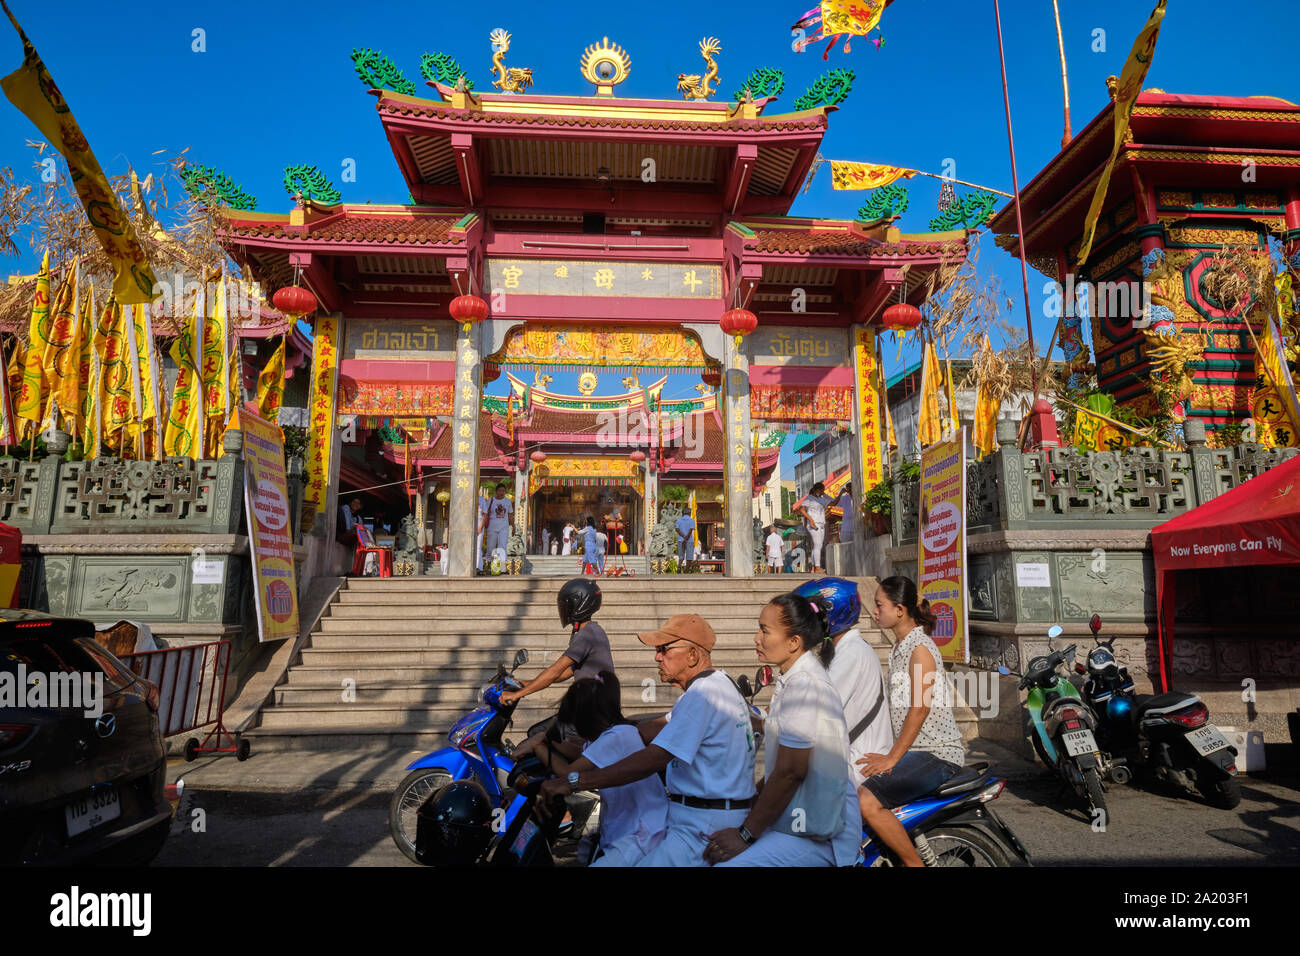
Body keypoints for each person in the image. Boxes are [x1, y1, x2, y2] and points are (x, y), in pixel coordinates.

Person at [540, 613, 756, 867]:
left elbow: (652, 759)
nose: (657, 657)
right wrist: (608, 729)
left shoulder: (702, 695)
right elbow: (652, 728)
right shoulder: (718, 684)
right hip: (698, 819)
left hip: (700, 828)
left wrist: (574, 781)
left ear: (693, 655)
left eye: (664, 649)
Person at [705, 593, 859, 867]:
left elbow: (791, 771)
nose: (757, 638)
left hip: (817, 835)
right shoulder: (793, 679)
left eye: (765, 631)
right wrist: (753, 799)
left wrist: (745, 834)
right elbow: (783, 767)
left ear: (793, 642)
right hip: (796, 823)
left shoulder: (805, 684)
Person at [858, 575, 966, 867]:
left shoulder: (920, 649)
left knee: (865, 800)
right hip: (917, 752)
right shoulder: (900, 646)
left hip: (938, 753)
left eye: (880, 605)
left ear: (900, 610)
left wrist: (893, 758)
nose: (875, 611)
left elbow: (920, 708)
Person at [512, 673, 668, 867]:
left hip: (641, 833)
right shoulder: (610, 736)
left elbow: (568, 774)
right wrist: (546, 739)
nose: (574, 729)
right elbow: (582, 755)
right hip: (624, 829)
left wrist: (537, 745)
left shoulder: (616, 736)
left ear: (586, 718)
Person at [795, 578, 892, 782]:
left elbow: (820, 705)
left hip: (860, 765)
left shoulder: (852, 653)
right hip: (850, 759)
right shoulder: (845, 649)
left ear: (831, 612)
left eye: (810, 615)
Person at [500, 578, 614, 707]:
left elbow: (556, 670)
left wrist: (517, 694)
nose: (564, 610)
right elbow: (566, 672)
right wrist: (527, 683)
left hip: (595, 706)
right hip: (596, 702)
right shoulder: (593, 630)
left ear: (577, 605)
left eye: (566, 605)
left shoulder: (587, 635)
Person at [794, 481, 833, 574]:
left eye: (823, 490)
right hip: (813, 524)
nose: (822, 491)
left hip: (821, 524)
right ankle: (818, 568)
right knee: (818, 545)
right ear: (816, 489)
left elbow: (834, 502)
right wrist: (810, 520)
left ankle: (814, 568)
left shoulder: (822, 499)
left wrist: (826, 494)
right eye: (821, 490)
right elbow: (801, 510)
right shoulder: (809, 498)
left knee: (817, 546)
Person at [476, 491, 489, 574]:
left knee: (477, 547)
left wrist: (480, 526)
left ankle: (478, 567)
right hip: (467, 527)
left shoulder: (481, 499)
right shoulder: (466, 498)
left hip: (478, 526)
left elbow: (485, 514)